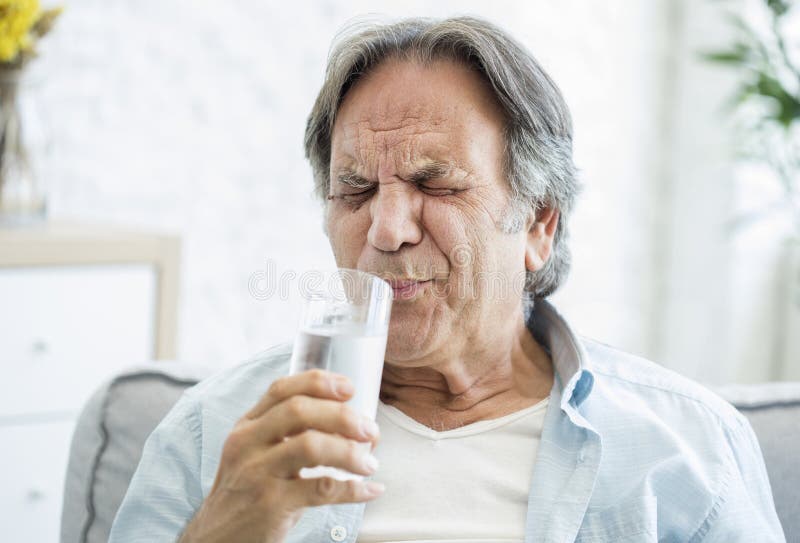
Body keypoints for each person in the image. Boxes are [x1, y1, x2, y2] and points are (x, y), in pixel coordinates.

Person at [109, 16, 785, 542]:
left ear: (538, 224)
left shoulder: (690, 450)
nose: (386, 229)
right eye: (354, 190)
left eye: (435, 182)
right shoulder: (213, 437)